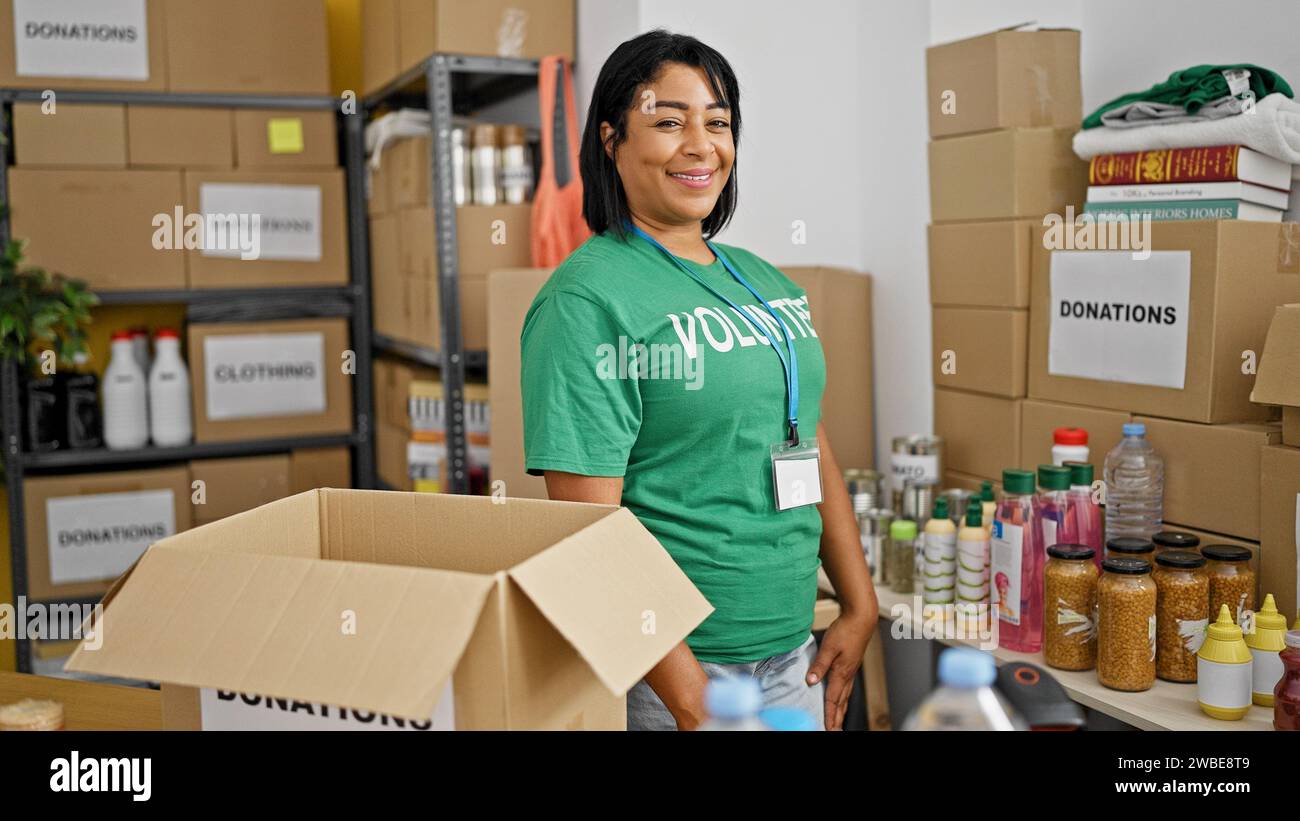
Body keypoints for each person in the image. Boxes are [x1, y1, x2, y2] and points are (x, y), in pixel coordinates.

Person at [520, 29, 877, 731]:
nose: (700, 144)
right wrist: (693, 703)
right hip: (680, 673)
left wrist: (859, 605)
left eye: (717, 122)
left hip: (791, 652)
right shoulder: (587, 300)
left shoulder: (764, 281)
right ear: (611, 139)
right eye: (668, 121)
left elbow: (809, 437)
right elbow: (590, 530)